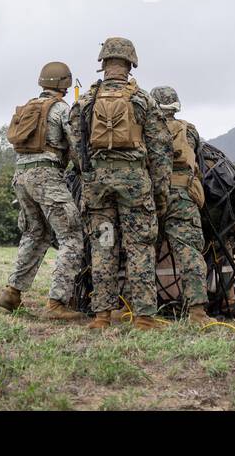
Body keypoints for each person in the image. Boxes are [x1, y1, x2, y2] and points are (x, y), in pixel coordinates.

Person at [67, 37, 173, 330]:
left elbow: (75, 147)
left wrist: (89, 174)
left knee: (103, 246)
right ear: (130, 63)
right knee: (139, 246)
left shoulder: (86, 100)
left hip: (97, 184)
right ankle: (143, 317)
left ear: (103, 63)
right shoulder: (143, 99)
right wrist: (160, 191)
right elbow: (161, 150)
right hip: (134, 183)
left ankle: (102, 316)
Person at [0, 62, 85, 321]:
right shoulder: (61, 110)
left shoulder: (27, 108)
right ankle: (57, 303)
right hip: (47, 177)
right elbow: (77, 147)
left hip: (20, 177)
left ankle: (12, 293)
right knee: (72, 235)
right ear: (65, 85)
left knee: (36, 233)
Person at [150, 86, 212, 324]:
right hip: (182, 195)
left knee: (141, 253)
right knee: (189, 252)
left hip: (150, 196)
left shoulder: (145, 128)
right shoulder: (190, 131)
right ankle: (196, 312)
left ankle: (139, 310)